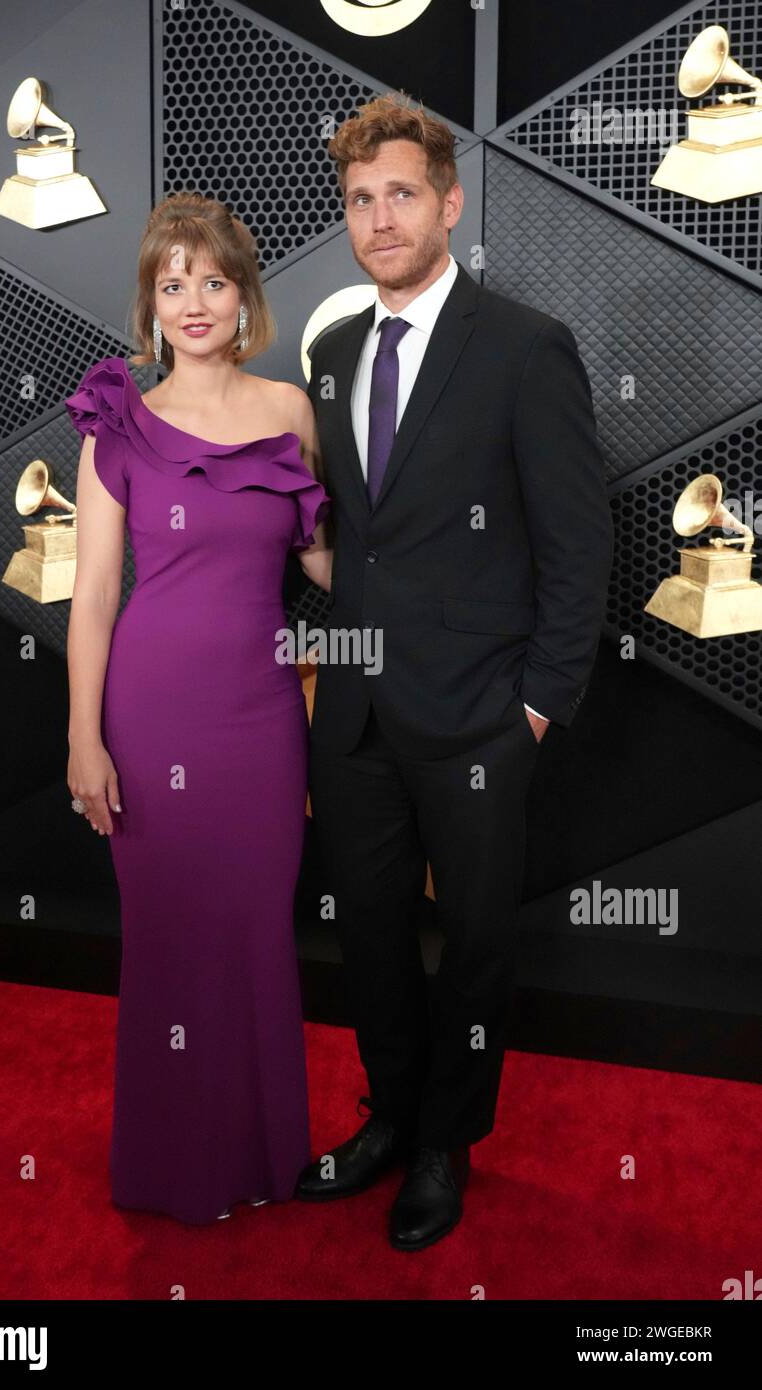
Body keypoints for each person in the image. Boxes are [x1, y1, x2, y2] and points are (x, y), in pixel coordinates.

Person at [295, 94, 614, 1251]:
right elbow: (352, 536)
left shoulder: (524, 347)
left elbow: (579, 547)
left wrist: (532, 708)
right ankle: (386, 1115)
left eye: (400, 196)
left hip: (481, 719)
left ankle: (444, 1143)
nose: (379, 221)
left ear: (448, 202)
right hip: (358, 710)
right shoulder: (331, 354)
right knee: (369, 932)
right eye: (360, 201)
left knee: (472, 942)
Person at [64, 191, 331, 1225]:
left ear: (242, 295)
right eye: (171, 284)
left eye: (210, 281)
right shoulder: (114, 422)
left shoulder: (289, 412)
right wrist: (83, 735)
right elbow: (90, 596)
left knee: (256, 926)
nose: (192, 301)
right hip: (150, 707)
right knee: (170, 932)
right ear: (150, 303)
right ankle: (175, 1168)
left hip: (259, 720)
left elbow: (323, 560)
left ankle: (261, 1158)